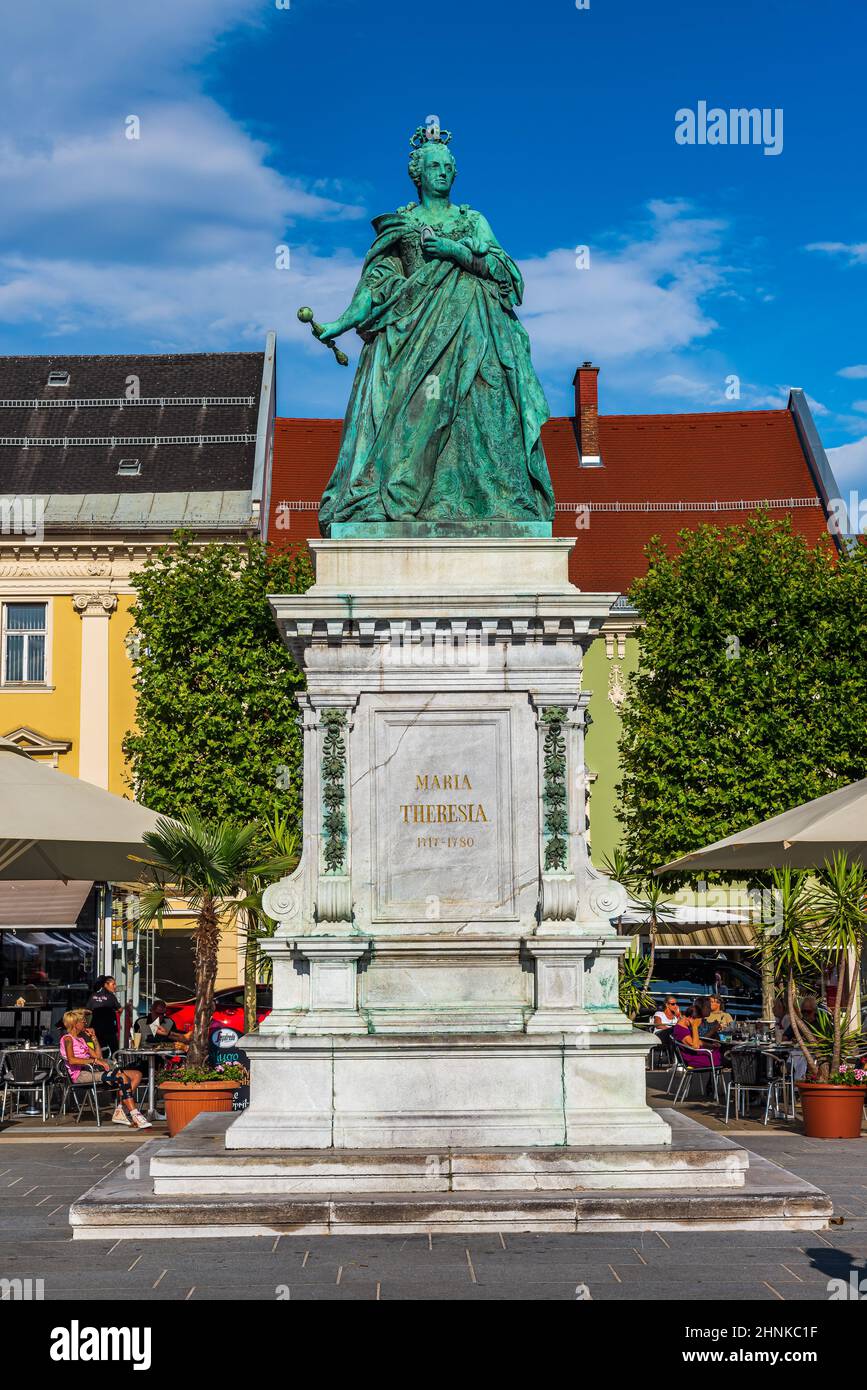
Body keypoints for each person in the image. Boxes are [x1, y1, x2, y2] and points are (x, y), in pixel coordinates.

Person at [59, 1008, 151, 1129]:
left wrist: (94, 1038)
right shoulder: (67, 1039)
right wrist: (94, 1061)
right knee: (121, 1077)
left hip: (93, 1071)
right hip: (81, 1074)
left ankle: (120, 1109)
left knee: (136, 1074)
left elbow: (98, 1056)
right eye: (83, 1022)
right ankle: (135, 1115)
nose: (85, 1023)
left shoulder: (81, 1039)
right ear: (75, 1024)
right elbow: (72, 1060)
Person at [673, 1003, 723, 1071]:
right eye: (699, 1021)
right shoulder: (680, 1029)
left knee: (721, 1053)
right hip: (692, 1059)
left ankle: (713, 1081)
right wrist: (695, 1026)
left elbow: (697, 1041)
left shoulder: (684, 1027)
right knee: (724, 1058)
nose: (700, 1023)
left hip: (696, 1055)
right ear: (691, 1018)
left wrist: (711, 1046)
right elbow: (695, 1046)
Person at [85, 975, 120, 1053]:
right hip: (109, 1028)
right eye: (113, 984)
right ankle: (115, 1063)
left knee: (99, 1048)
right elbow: (119, 1009)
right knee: (114, 1049)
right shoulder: (111, 996)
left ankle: (100, 1063)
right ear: (105, 984)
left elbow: (87, 1011)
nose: (115, 986)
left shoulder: (93, 996)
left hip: (96, 1028)